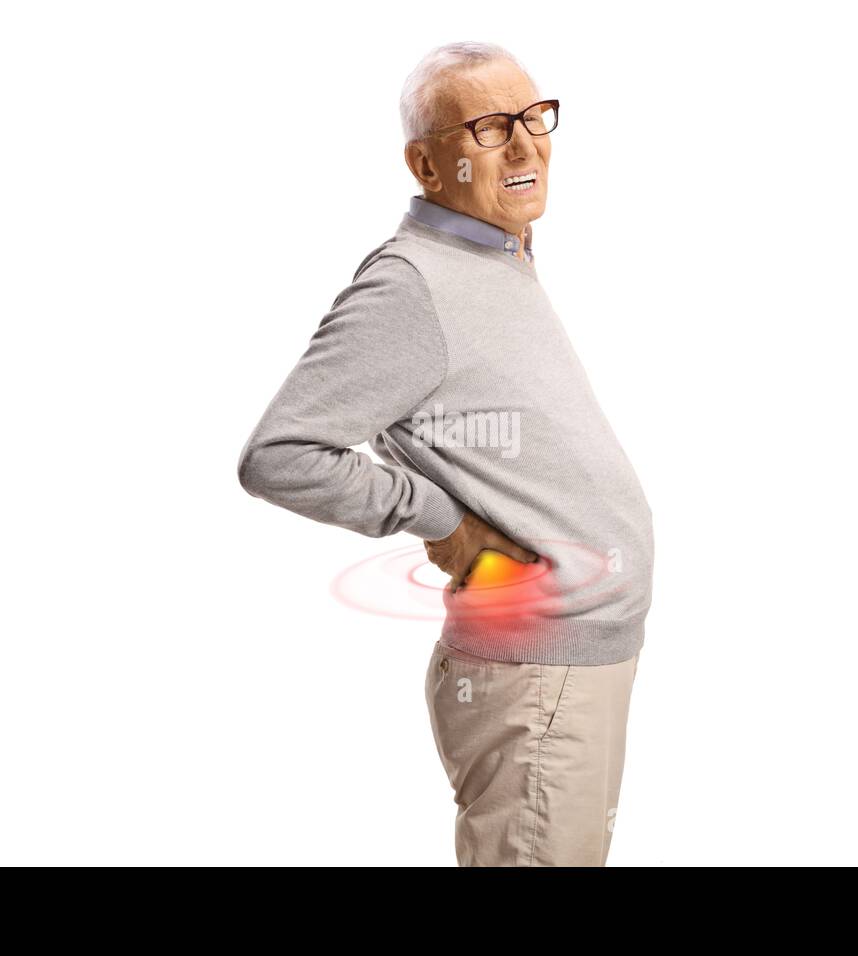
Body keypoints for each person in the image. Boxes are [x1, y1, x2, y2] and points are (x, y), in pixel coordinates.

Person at [237, 41, 654, 866]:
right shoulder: (411, 283)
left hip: (577, 662)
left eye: (536, 117)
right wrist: (444, 524)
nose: (528, 145)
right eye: (492, 127)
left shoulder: (496, 252)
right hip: (536, 679)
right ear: (426, 163)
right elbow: (280, 453)